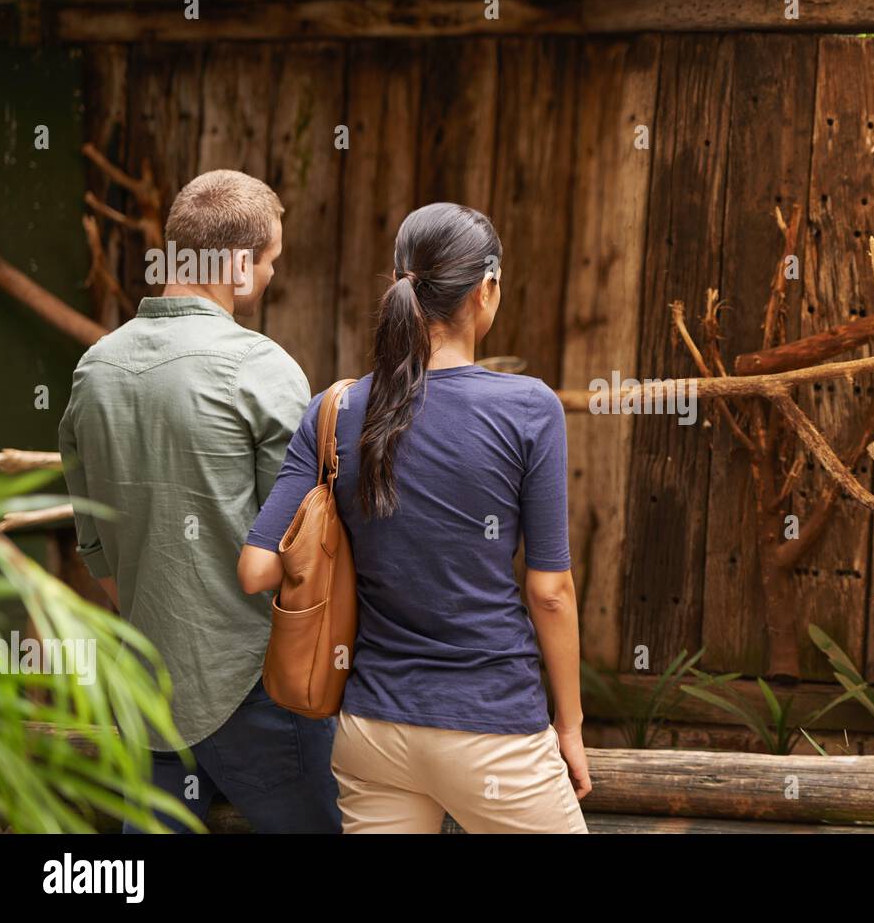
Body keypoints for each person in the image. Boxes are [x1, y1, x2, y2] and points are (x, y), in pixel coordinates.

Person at [238, 203, 591, 833]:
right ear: (486, 290)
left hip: (372, 735)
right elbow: (551, 593)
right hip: (495, 731)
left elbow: (257, 569)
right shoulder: (530, 409)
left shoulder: (335, 409)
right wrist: (569, 725)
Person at [58, 170, 341, 833]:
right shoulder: (262, 369)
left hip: (148, 691)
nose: (271, 276)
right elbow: (300, 553)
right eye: (271, 261)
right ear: (238, 264)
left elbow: (95, 547)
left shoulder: (93, 372)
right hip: (258, 685)